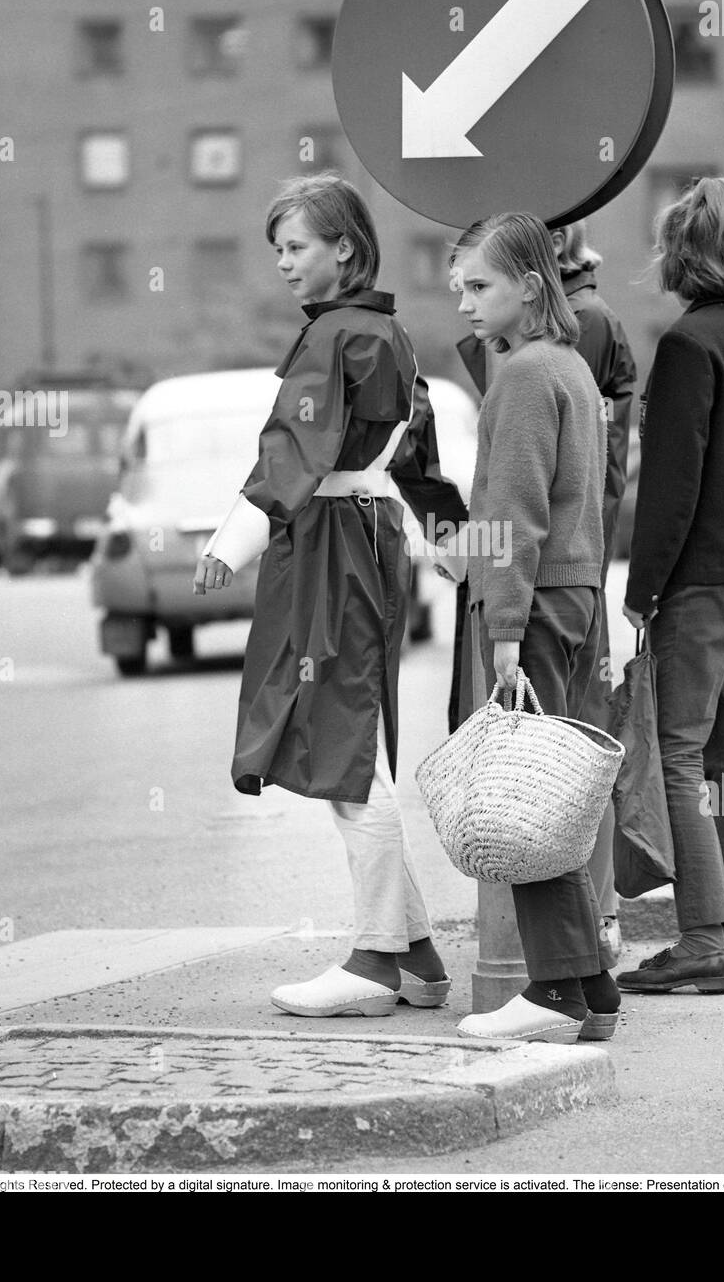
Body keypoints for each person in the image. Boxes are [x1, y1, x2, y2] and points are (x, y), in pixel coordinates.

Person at [194, 173, 469, 1019]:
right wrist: (452, 539)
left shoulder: (336, 338)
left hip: (330, 543)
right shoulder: (388, 335)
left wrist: (228, 543)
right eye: (277, 249)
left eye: (296, 247)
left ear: (343, 248)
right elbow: (416, 452)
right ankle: (416, 955)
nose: (282, 263)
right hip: (369, 535)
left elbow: (292, 447)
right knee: (353, 733)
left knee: (345, 747)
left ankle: (375, 961)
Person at [445, 212, 621, 1046]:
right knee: (558, 797)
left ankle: (553, 991)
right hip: (574, 595)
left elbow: (514, 510)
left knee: (525, 804)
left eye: (479, 286)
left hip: (534, 605)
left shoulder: (519, 377)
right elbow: (573, 500)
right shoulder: (571, 370)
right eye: (460, 288)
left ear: (528, 283)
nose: (465, 304)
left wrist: (505, 622)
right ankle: (590, 985)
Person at [617, 176, 724, 996]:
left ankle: (699, 940)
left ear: (679, 255)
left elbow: (670, 486)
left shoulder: (686, 347)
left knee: (678, 756)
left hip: (700, 576)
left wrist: (641, 589)